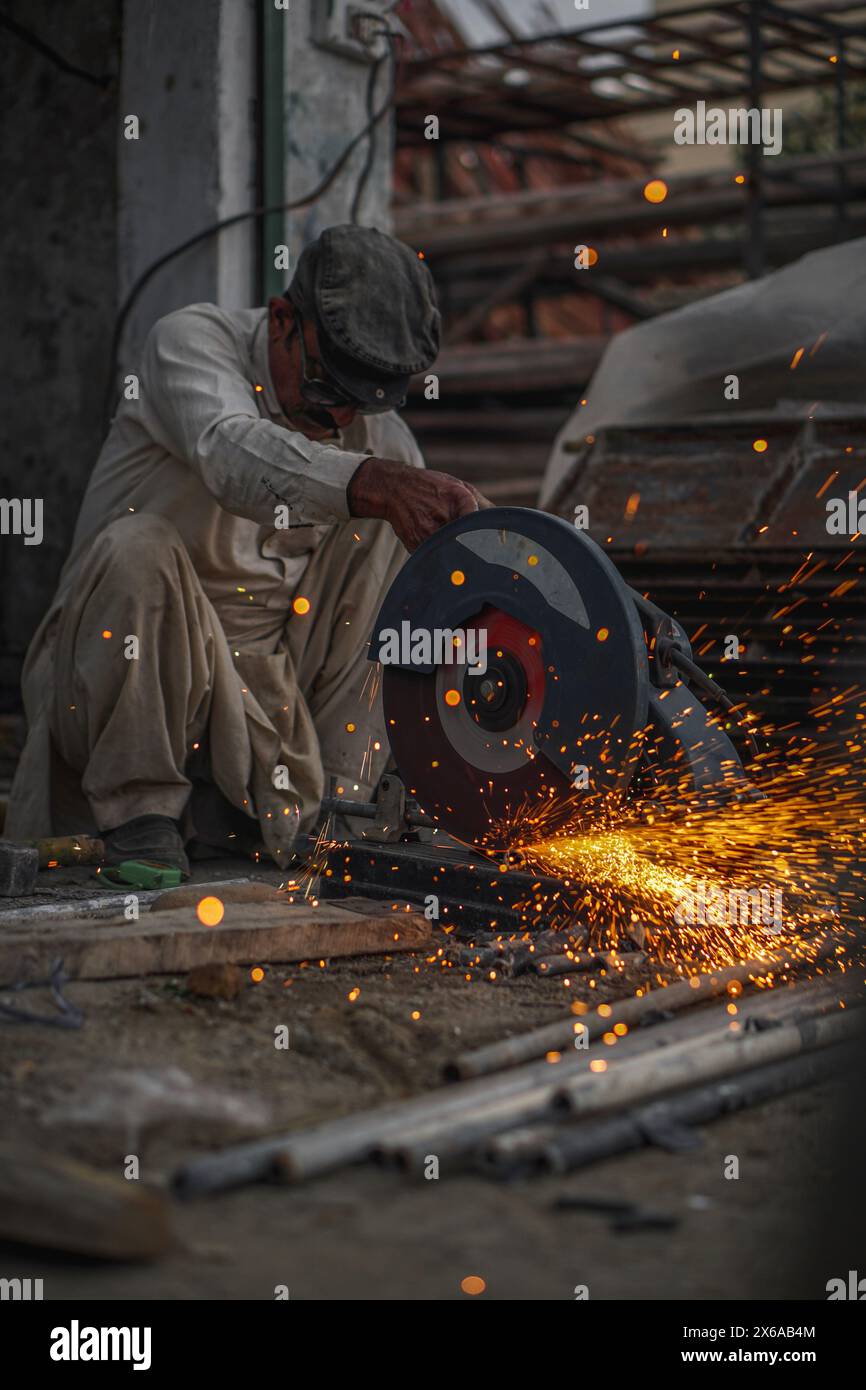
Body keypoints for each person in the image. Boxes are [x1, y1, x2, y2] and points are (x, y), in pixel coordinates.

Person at [6, 225, 488, 875]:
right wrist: (369, 482)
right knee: (139, 543)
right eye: (326, 389)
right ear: (283, 320)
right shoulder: (191, 345)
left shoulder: (382, 440)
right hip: (120, 679)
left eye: (359, 402)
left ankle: (339, 811)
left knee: (401, 539)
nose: (341, 420)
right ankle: (140, 814)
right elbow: (231, 452)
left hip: (264, 701)